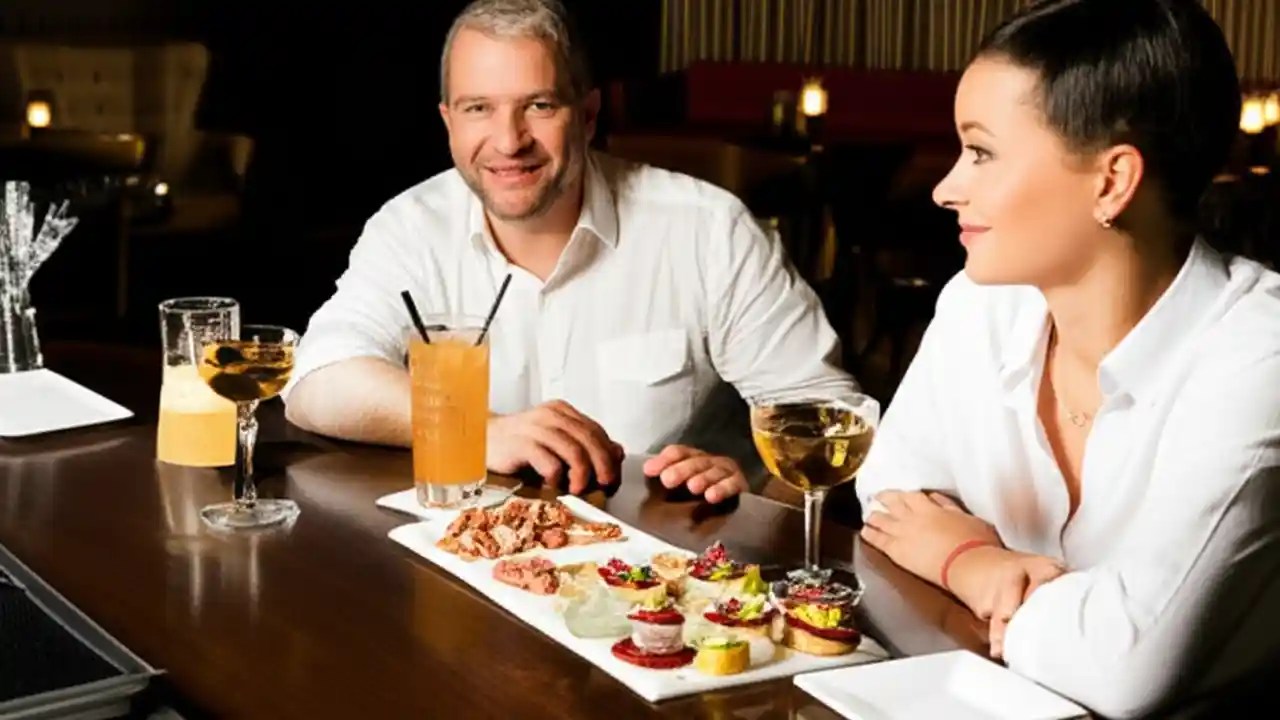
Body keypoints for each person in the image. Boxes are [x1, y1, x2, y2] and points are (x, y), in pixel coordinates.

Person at [854, 0, 1280, 717]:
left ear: (1112, 181)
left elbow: (1123, 667)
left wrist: (973, 567)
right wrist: (975, 563)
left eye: (981, 152)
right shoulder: (982, 303)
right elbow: (892, 494)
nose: (945, 187)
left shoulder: (1256, 358)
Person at [282, 0, 856, 503]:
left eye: (538, 105)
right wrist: (476, 428)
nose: (509, 141)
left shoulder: (710, 231)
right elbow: (317, 382)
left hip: (661, 577)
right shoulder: (411, 227)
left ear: (586, 116)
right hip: (467, 567)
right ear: (448, 121)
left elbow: (829, 420)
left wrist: (756, 494)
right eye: (478, 108)